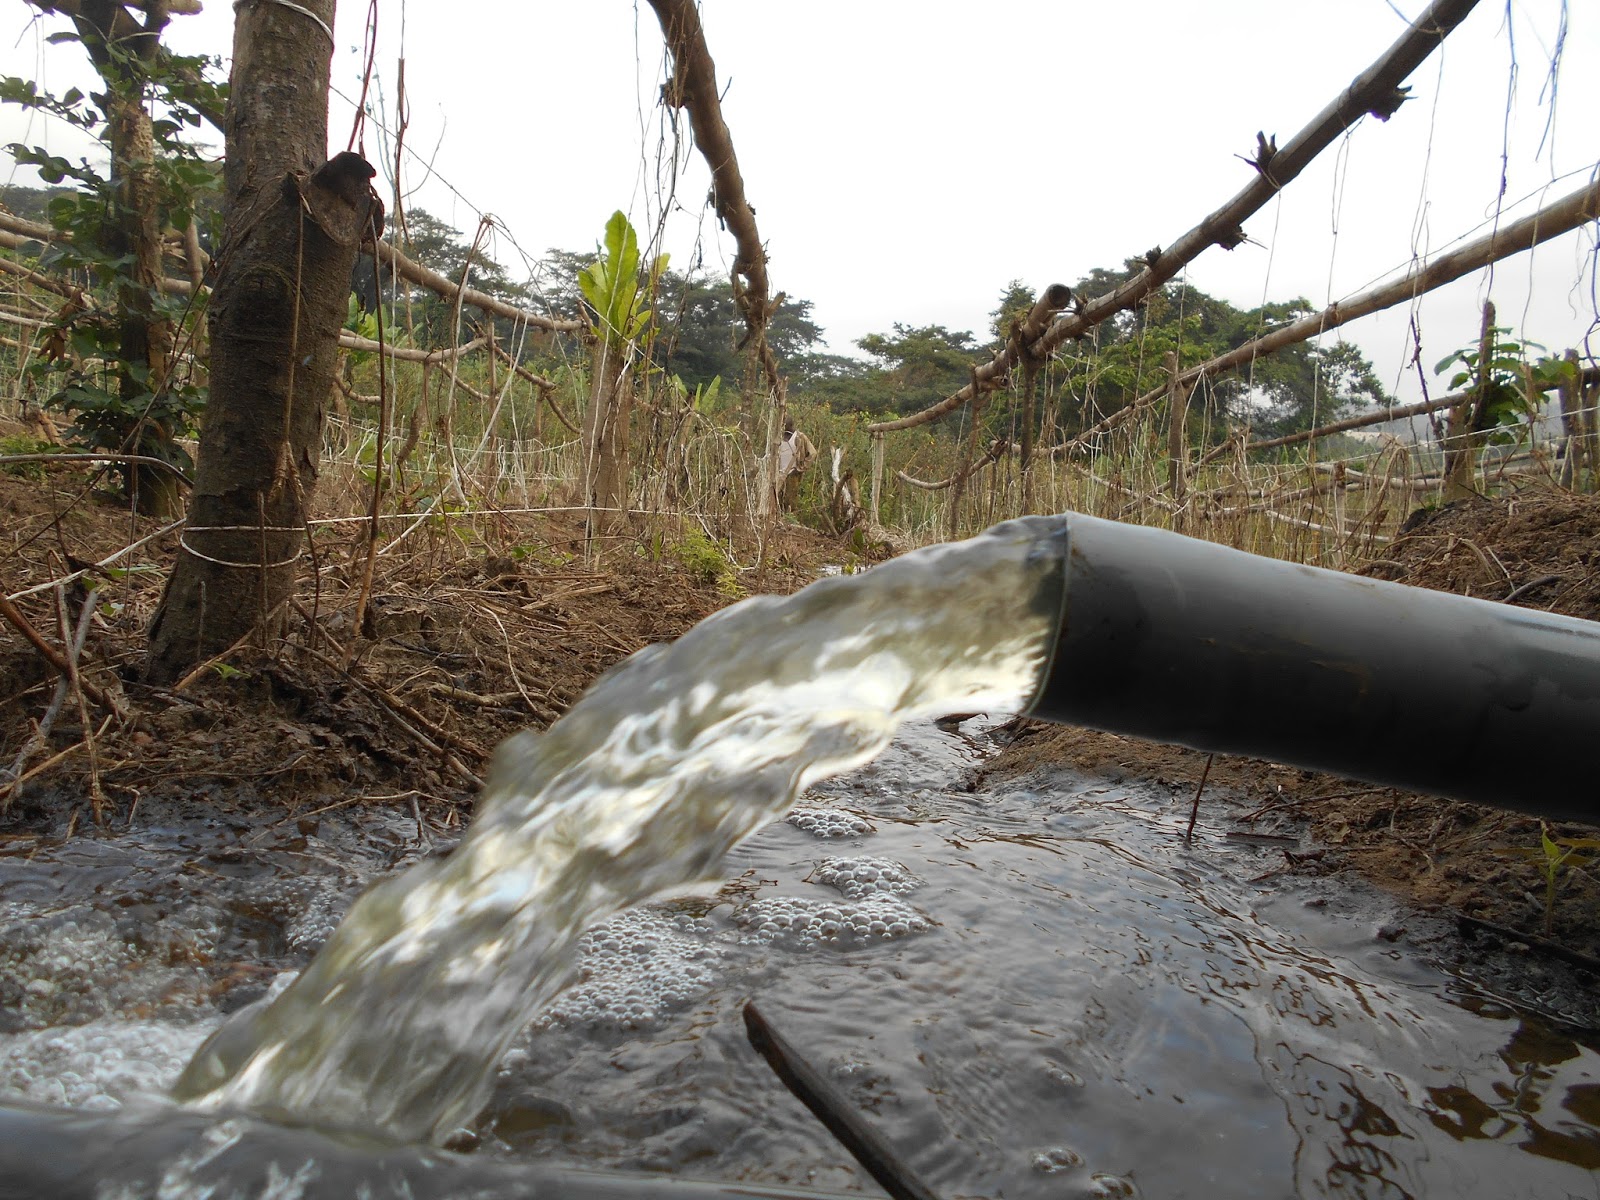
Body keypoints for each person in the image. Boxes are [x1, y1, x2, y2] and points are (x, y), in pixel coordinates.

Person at [776, 417, 816, 513]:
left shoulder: (799, 437)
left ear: (790, 426)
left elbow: (813, 453)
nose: (783, 428)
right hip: (779, 474)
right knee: (778, 500)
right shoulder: (779, 437)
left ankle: (790, 522)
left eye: (784, 426)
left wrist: (800, 468)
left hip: (792, 474)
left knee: (790, 502)